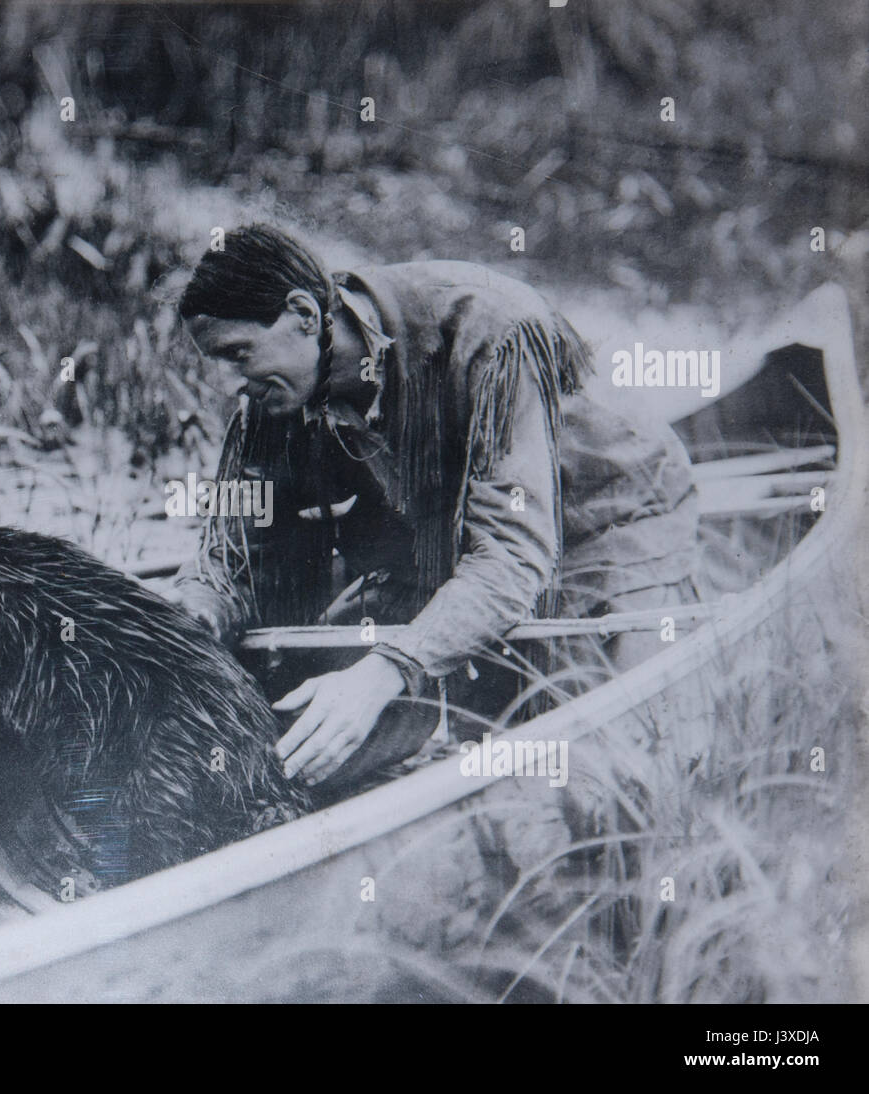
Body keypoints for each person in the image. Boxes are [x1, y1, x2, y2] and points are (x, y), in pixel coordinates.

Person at [171, 224, 698, 791]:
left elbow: (511, 555)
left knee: (586, 770)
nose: (230, 385)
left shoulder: (489, 331)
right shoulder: (277, 393)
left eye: (237, 354)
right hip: (441, 534)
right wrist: (190, 617)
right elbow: (234, 553)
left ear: (303, 314)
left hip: (603, 515)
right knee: (296, 733)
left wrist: (389, 669)